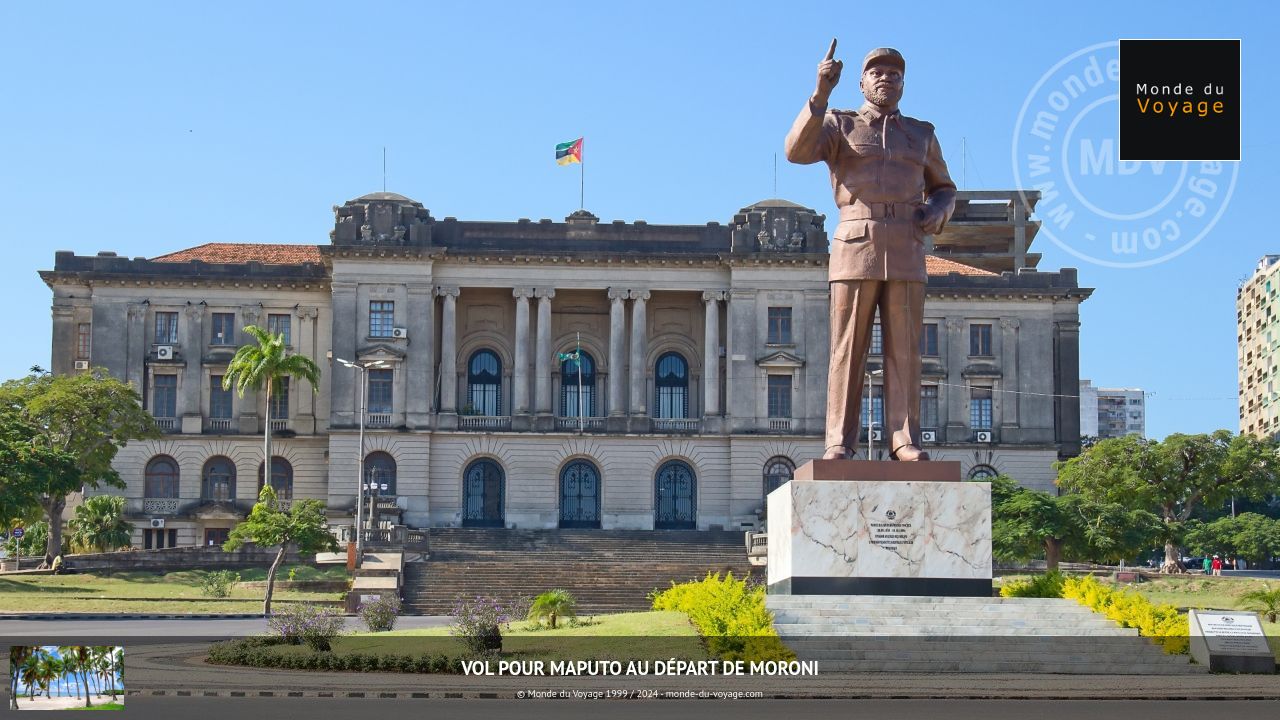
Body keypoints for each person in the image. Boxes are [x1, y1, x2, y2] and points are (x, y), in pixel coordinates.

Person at [785, 41, 956, 461]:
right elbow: (796, 151)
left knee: (905, 351)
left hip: (906, 244)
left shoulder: (921, 134)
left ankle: (904, 439)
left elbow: (944, 186)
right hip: (855, 242)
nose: (886, 78)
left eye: (894, 73)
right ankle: (839, 441)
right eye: (877, 72)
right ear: (861, 82)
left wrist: (938, 208)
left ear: (903, 84)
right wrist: (820, 94)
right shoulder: (839, 124)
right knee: (848, 348)